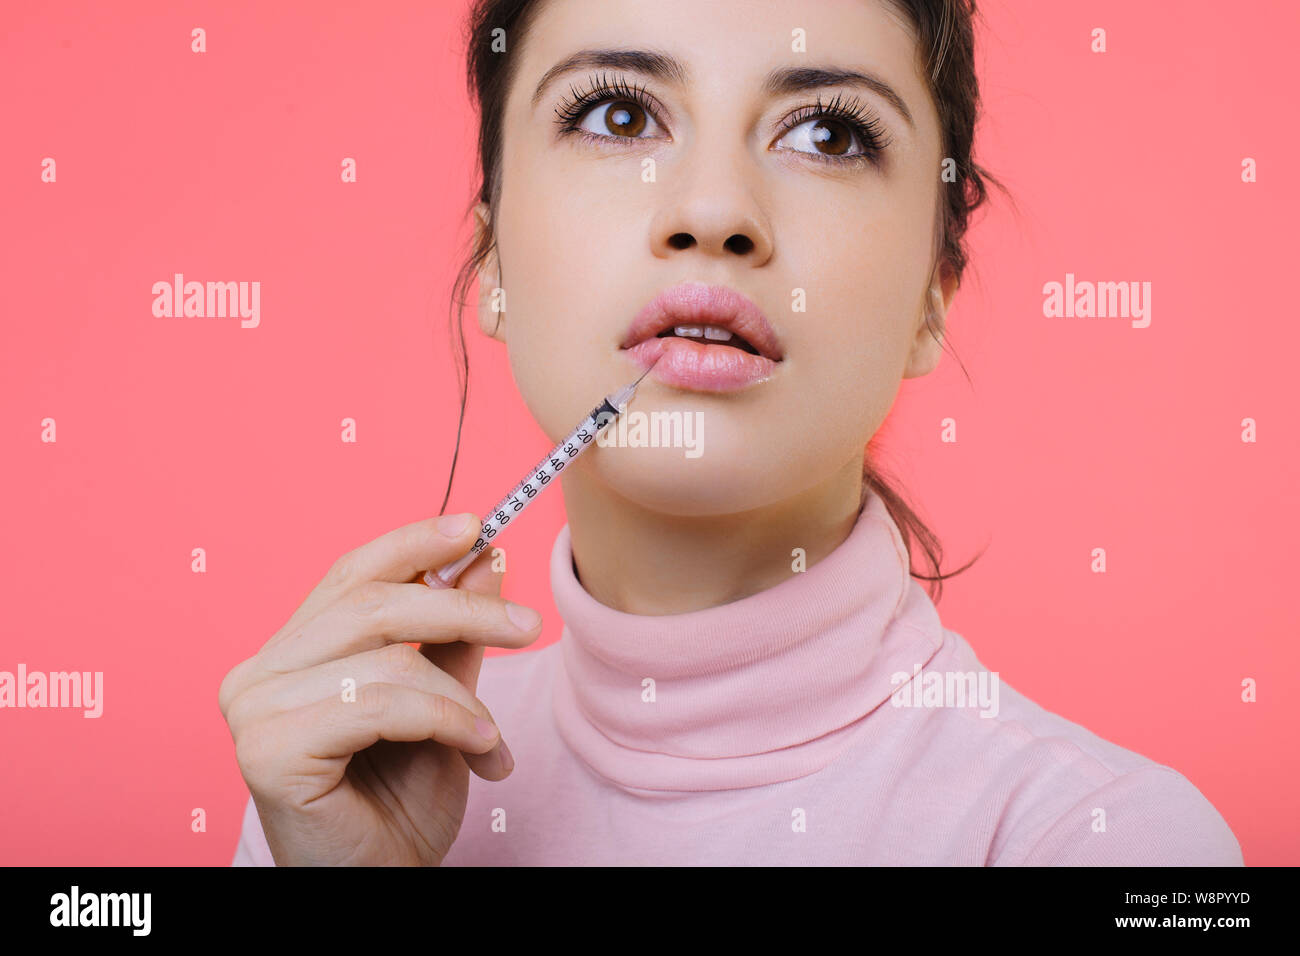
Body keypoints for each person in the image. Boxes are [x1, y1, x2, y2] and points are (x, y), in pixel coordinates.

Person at [222, 0, 1243, 866]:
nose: (713, 210)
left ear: (933, 294)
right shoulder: (346, 779)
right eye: (617, 112)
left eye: (827, 133)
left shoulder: (1109, 842)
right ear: (492, 260)